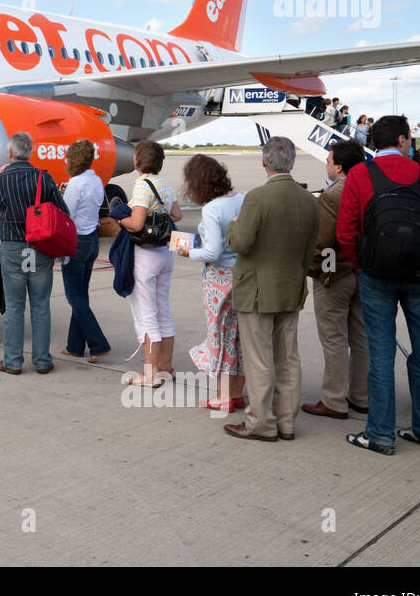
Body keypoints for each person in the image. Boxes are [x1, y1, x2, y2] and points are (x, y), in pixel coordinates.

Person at [338, 115, 420, 455]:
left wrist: (366, 264)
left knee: (381, 352)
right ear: (404, 141)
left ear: (373, 141)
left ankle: (380, 435)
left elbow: (346, 232)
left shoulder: (360, 174)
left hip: (377, 276)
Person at [223, 137, 319, 442]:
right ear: (292, 162)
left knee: (260, 359)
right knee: (288, 358)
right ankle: (287, 421)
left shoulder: (257, 198)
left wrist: (233, 225)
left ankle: (261, 423)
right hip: (290, 287)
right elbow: (310, 250)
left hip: (257, 292)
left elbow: (240, 243)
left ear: (264, 163)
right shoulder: (309, 200)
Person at [0, 132, 69, 374]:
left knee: (15, 306)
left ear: (9, 153)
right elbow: (62, 210)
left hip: (12, 247)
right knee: (41, 305)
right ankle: (42, 361)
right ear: (30, 152)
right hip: (40, 247)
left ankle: (13, 361)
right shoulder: (43, 177)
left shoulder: (0, 181)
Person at [301, 140, 369, 421]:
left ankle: (334, 399)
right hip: (364, 272)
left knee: (334, 338)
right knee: (361, 336)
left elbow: (324, 241)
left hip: (337, 274)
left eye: (328, 161)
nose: (327, 165)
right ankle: (361, 397)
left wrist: (316, 269)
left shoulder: (333, 195)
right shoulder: (370, 187)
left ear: (339, 166)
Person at [177, 154, 246, 412]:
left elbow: (212, 252)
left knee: (220, 336)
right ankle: (237, 393)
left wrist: (188, 253)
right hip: (242, 275)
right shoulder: (242, 199)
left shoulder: (211, 209)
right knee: (239, 337)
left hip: (219, 280)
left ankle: (224, 396)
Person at [118, 140, 183, 387]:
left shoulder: (142, 186)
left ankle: (150, 373)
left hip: (147, 254)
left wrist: (121, 217)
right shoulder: (164, 183)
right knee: (163, 310)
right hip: (167, 252)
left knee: (146, 315)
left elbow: (136, 224)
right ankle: (165, 366)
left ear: (137, 162)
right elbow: (177, 215)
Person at [58, 139, 110, 362]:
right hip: (91, 240)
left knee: (74, 296)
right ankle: (75, 345)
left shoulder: (76, 183)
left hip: (76, 242)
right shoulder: (96, 180)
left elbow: (66, 214)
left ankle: (98, 344)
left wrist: (61, 196)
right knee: (81, 293)